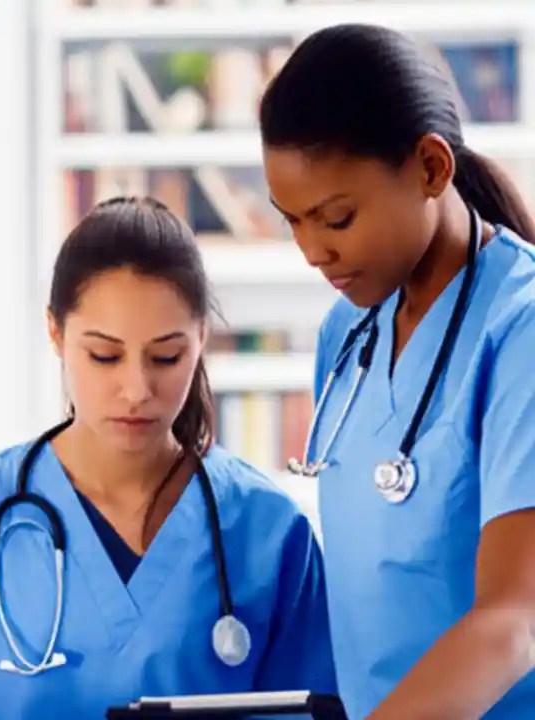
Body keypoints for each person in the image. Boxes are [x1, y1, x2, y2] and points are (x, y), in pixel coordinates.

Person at [0, 197, 337, 719]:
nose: (136, 389)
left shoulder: (267, 529)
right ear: (56, 333)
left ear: (201, 338)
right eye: (104, 356)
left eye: (166, 356)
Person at [260, 23, 535, 720]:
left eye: (337, 218)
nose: (313, 251)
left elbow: (515, 621)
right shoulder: (347, 332)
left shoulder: (520, 328)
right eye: (292, 221)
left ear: (431, 169)